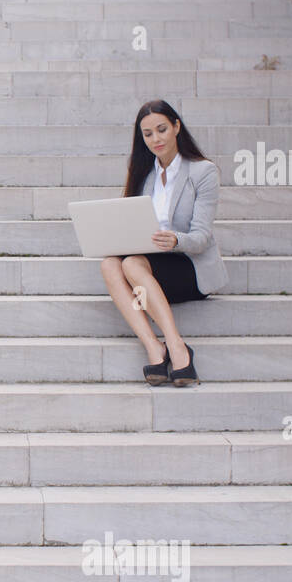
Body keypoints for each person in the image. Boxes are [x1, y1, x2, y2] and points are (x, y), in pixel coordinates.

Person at [99, 99, 229, 387]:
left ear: (176, 127)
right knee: (110, 264)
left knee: (132, 265)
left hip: (189, 265)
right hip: (149, 264)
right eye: (148, 134)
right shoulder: (142, 173)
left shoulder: (203, 172)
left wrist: (175, 240)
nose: (156, 139)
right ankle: (154, 347)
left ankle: (177, 345)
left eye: (161, 130)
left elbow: (201, 238)